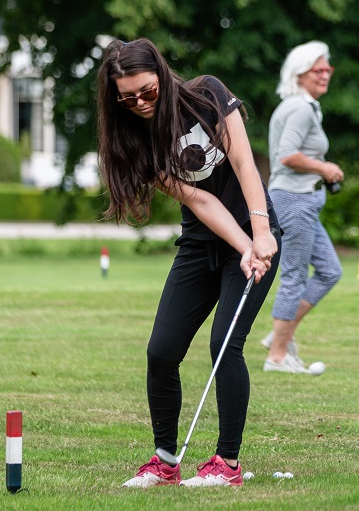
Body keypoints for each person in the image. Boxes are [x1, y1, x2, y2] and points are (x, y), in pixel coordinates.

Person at [96, 38, 280, 487]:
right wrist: (241, 247)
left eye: (147, 92)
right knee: (161, 351)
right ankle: (164, 463)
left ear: (161, 75)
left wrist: (259, 237)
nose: (139, 103)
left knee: (225, 346)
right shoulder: (135, 141)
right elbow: (198, 200)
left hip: (258, 229)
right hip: (202, 244)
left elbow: (243, 163)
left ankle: (227, 464)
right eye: (127, 98)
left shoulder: (209, 96)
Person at [259, 41, 344, 374]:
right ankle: (277, 356)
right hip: (293, 202)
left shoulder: (304, 106)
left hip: (303, 202)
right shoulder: (298, 108)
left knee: (329, 271)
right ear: (299, 73)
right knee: (293, 277)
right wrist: (325, 168)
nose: (325, 75)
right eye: (318, 70)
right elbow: (286, 154)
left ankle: (280, 336)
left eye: (327, 69)